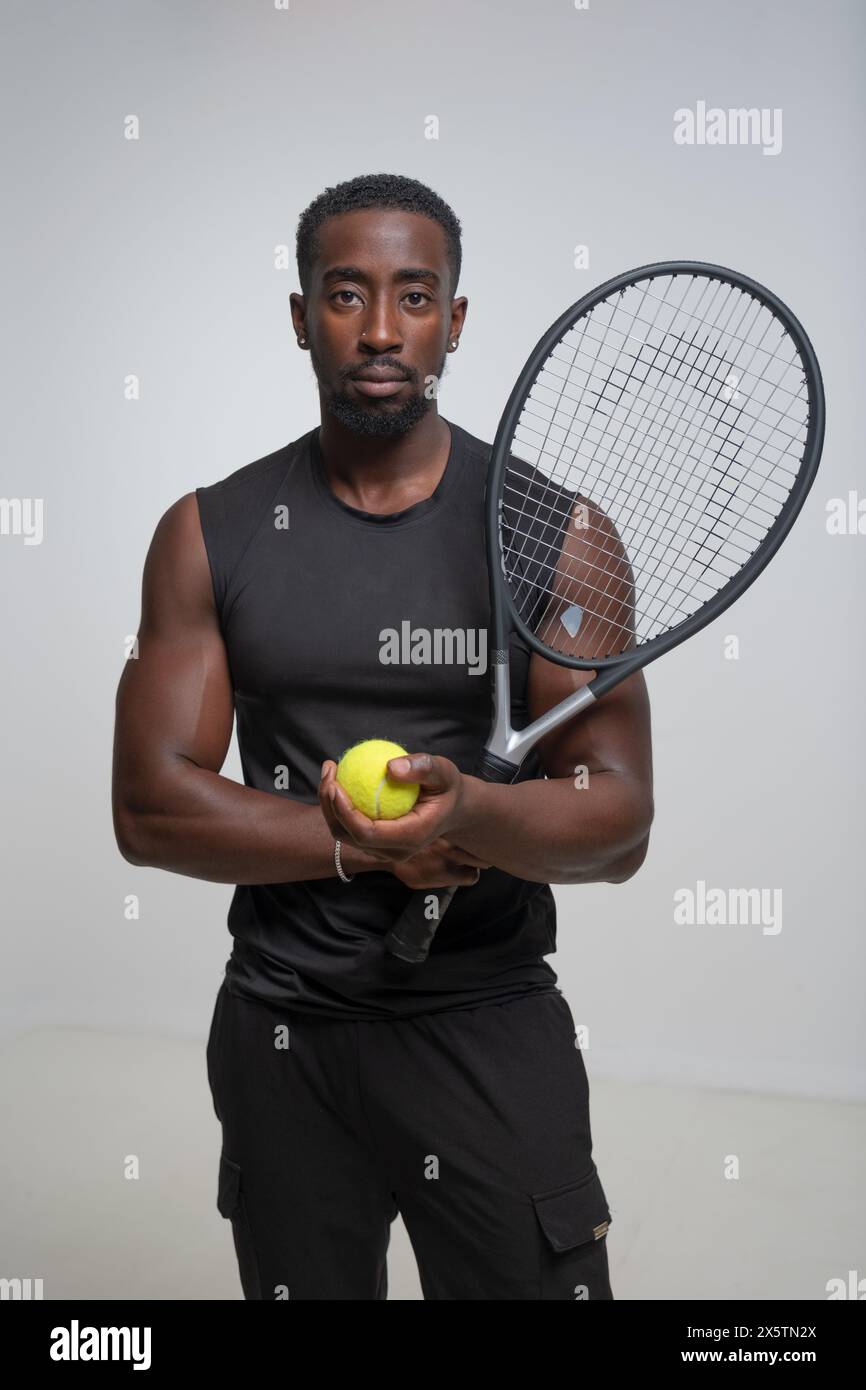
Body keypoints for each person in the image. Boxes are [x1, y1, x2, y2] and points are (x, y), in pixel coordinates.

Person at [111, 172, 654, 1300]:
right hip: (283, 1030)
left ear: (453, 321)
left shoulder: (558, 533)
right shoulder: (210, 533)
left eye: (414, 296)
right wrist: (362, 846)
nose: (378, 328)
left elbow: (616, 823)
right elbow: (150, 805)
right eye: (345, 293)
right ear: (301, 314)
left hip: (484, 1019)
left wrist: (479, 813)